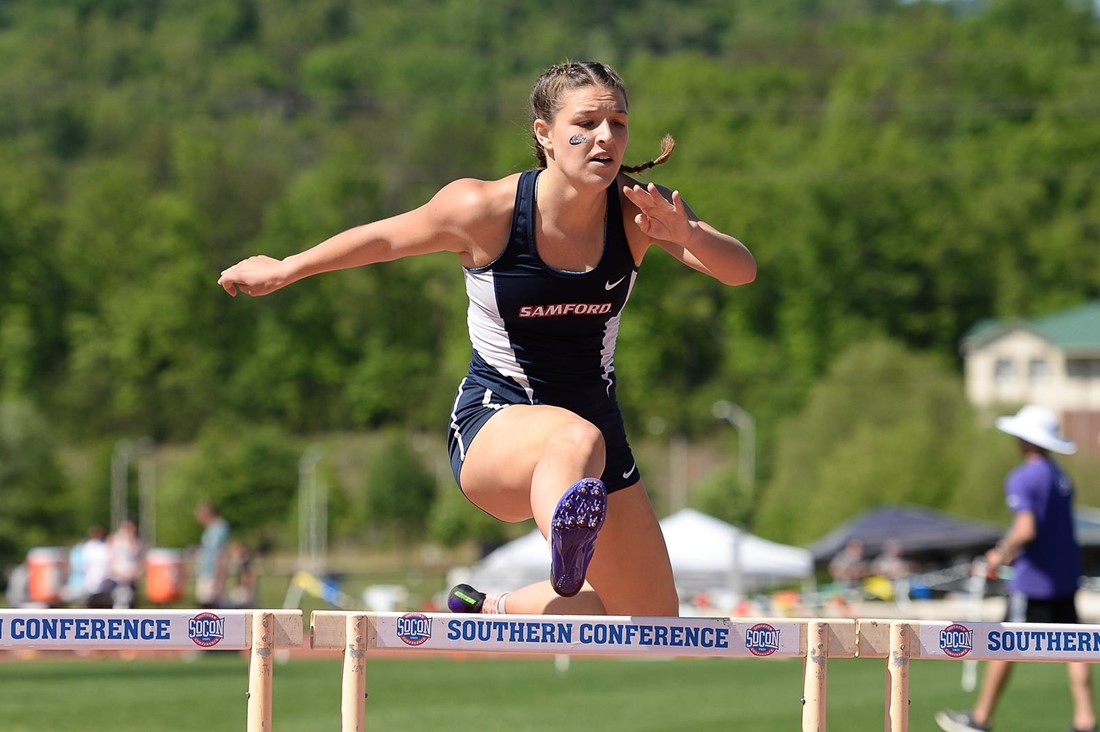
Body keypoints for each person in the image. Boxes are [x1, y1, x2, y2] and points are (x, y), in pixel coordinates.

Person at [218, 60, 756, 617]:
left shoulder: (641, 211)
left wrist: (689, 233)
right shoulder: (484, 209)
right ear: (544, 134)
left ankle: (490, 606)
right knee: (575, 440)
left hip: (597, 434)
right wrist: (286, 268)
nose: (606, 137)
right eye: (587, 123)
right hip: (496, 424)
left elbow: (741, 270)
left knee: (651, 619)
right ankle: (567, 536)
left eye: (618, 123)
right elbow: (384, 239)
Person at [936, 404, 1096, 732]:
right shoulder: (1060, 477)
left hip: (1034, 581)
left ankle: (980, 718)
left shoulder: (1023, 477)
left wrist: (998, 553)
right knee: (1077, 646)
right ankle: (1086, 720)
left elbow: (1025, 529)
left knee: (1003, 643)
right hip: (1065, 575)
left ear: (1025, 440)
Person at [194, 502, 230, 608]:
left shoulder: (218, 528)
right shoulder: (210, 529)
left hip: (212, 573)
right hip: (207, 572)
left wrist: (219, 577)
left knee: (210, 606)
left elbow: (220, 554)